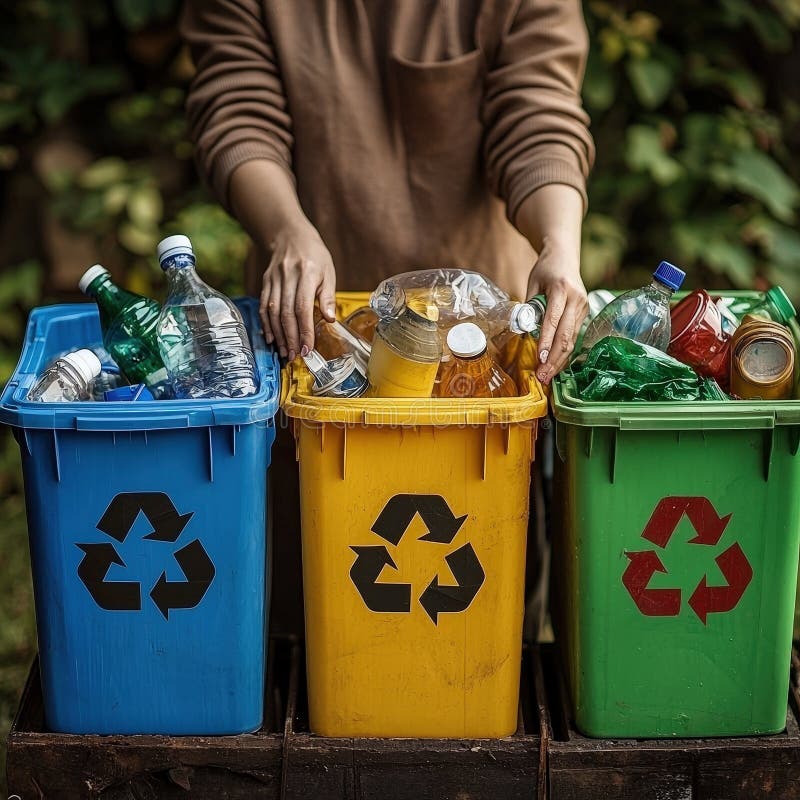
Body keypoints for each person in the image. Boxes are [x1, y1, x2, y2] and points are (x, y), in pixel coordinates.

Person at [181, 0, 594, 384]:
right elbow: (238, 114)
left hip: (480, 336)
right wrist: (286, 232)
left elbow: (538, 118)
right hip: (317, 334)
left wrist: (556, 243)